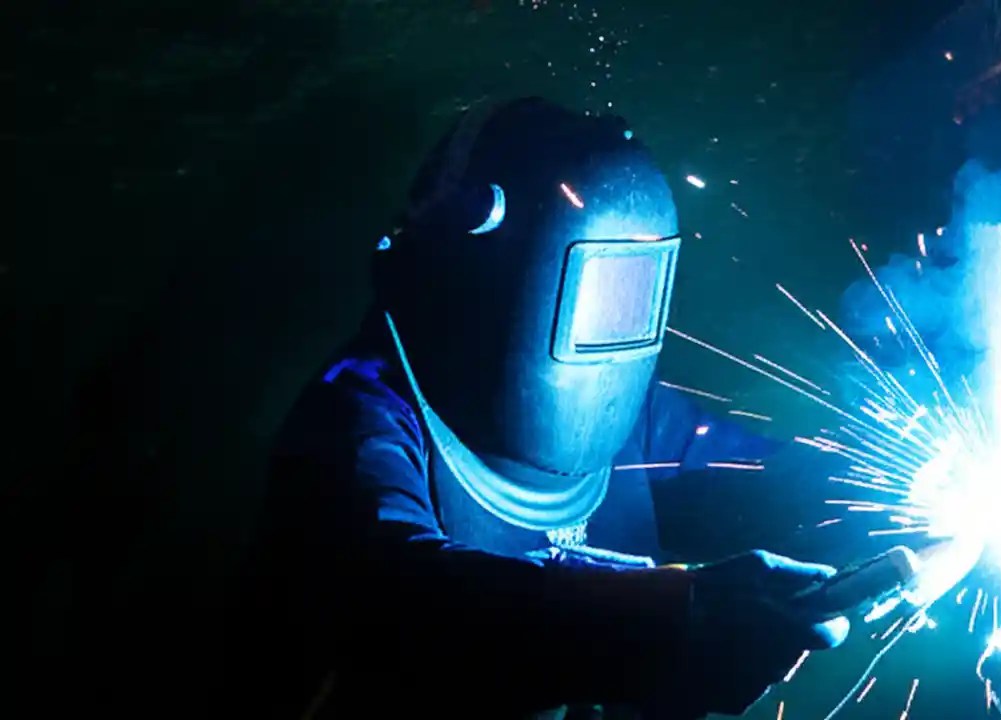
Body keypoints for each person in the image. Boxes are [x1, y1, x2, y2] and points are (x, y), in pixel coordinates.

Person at [231, 97, 917, 720]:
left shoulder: (630, 418)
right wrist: (661, 619)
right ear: (500, 276)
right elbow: (408, 599)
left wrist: (899, 494)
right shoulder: (357, 418)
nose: (609, 329)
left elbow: (747, 471)